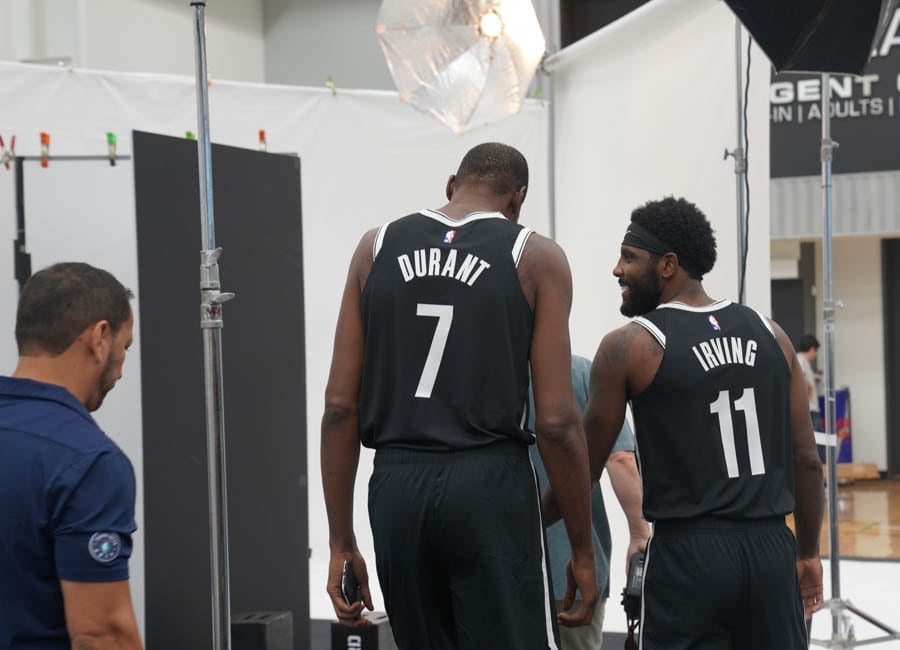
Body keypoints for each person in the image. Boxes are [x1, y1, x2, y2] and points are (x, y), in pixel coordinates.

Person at [321, 142, 597, 650]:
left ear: (451, 185)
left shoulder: (374, 247)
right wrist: (581, 546)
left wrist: (341, 540)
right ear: (517, 200)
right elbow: (557, 423)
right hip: (489, 480)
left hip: (397, 484)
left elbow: (339, 409)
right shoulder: (534, 255)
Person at [578, 197, 825, 650]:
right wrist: (808, 552)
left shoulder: (631, 345)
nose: (617, 269)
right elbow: (807, 461)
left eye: (629, 257)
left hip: (689, 553)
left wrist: (544, 528)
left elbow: (584, 470)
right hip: (771, 546)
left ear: (668, 265)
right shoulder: (772, 334)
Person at [0, 262, 142, 649]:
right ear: (100, 337)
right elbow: (101, 635)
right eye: (124, 347)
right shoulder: (89, 463)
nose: (121, 371)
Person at [527, 355, 649, 650]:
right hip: (573, 574)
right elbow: (620, 460)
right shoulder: (583, 373)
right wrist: (639, 534)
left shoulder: (490, 375)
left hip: (503, 570)